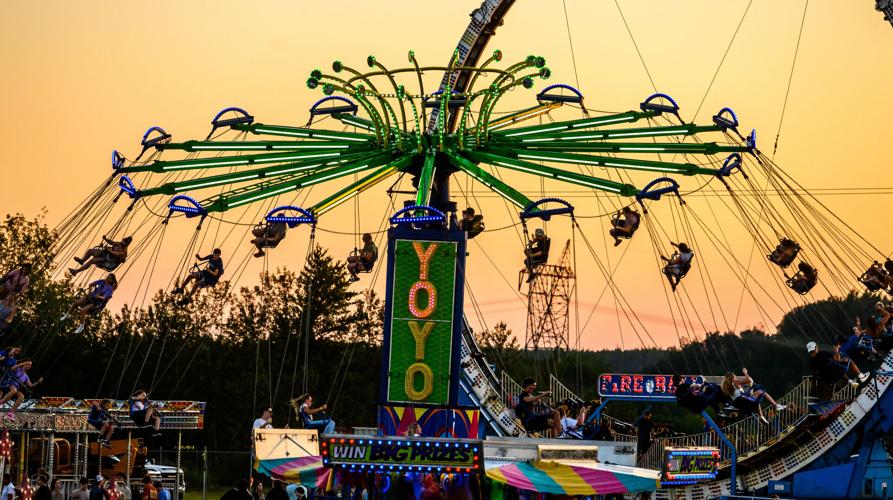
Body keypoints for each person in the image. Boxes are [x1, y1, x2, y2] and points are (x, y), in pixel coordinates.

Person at [721, 370, 786, 424]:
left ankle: (761, 416)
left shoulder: (727, 388)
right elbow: (749, 380)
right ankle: (775, 405)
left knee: (757, 397)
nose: (736, 378)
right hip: (744, 401)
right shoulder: (735, 382)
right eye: (735, 376)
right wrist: (745, 372)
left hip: (741, 405)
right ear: (733, 377)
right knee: (760, 389)